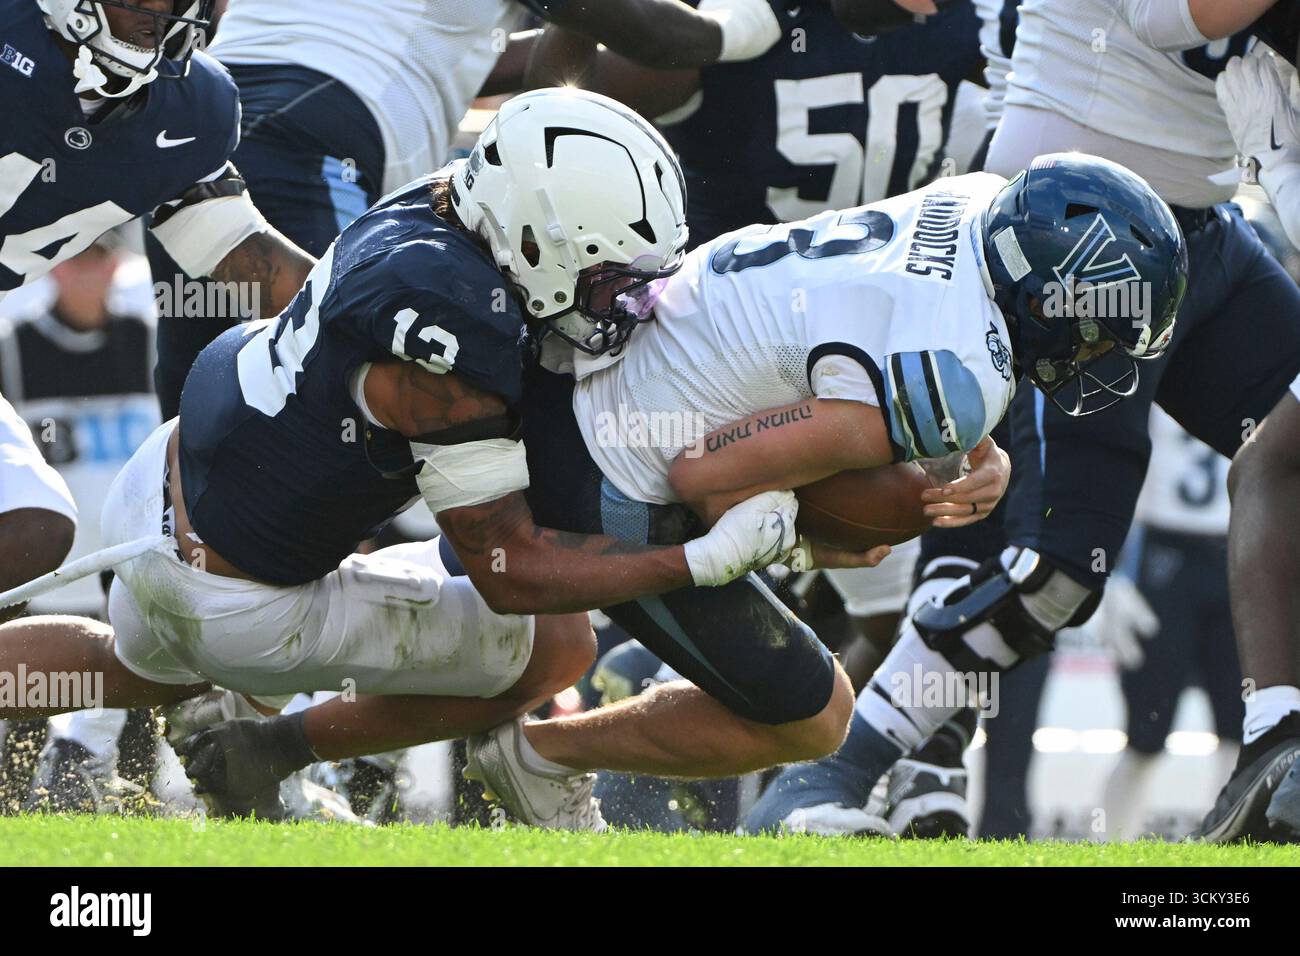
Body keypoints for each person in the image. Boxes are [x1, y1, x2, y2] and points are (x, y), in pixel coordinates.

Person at [175, 150, 1186, 833]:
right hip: (616, 451)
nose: (1099, 353)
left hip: (609, 351)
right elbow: (710, 473)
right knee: (811, 713)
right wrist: (841, 519)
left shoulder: (973, 199)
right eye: (1099, 325)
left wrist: (939, 461)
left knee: (549, 637)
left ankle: (275, 735)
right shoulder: (952, 376)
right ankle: (536, 753)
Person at [0, 89, 820, 827]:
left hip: (165, 483)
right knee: (558, 644)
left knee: (129, 666)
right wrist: (700, 556)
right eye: (609, 280)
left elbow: (307, 291)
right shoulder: (452, 336)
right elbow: (509, 569)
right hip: (236, 597)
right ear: (538, 237)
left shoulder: (435, 207)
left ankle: (237, 721)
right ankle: (276, 751)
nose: (623, 305)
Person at [744, 0, 1300, 841]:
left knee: (1287, 458)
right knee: (1057, 571)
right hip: (1070, 244)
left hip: (1198, 231)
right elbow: (1169, 16)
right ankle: (838, 771)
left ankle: (1275, 743)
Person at [1, 0, 314, 603]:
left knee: (32, 525)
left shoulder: (191, 109)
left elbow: (247, 254)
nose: (160, 13)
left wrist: (369, 306)